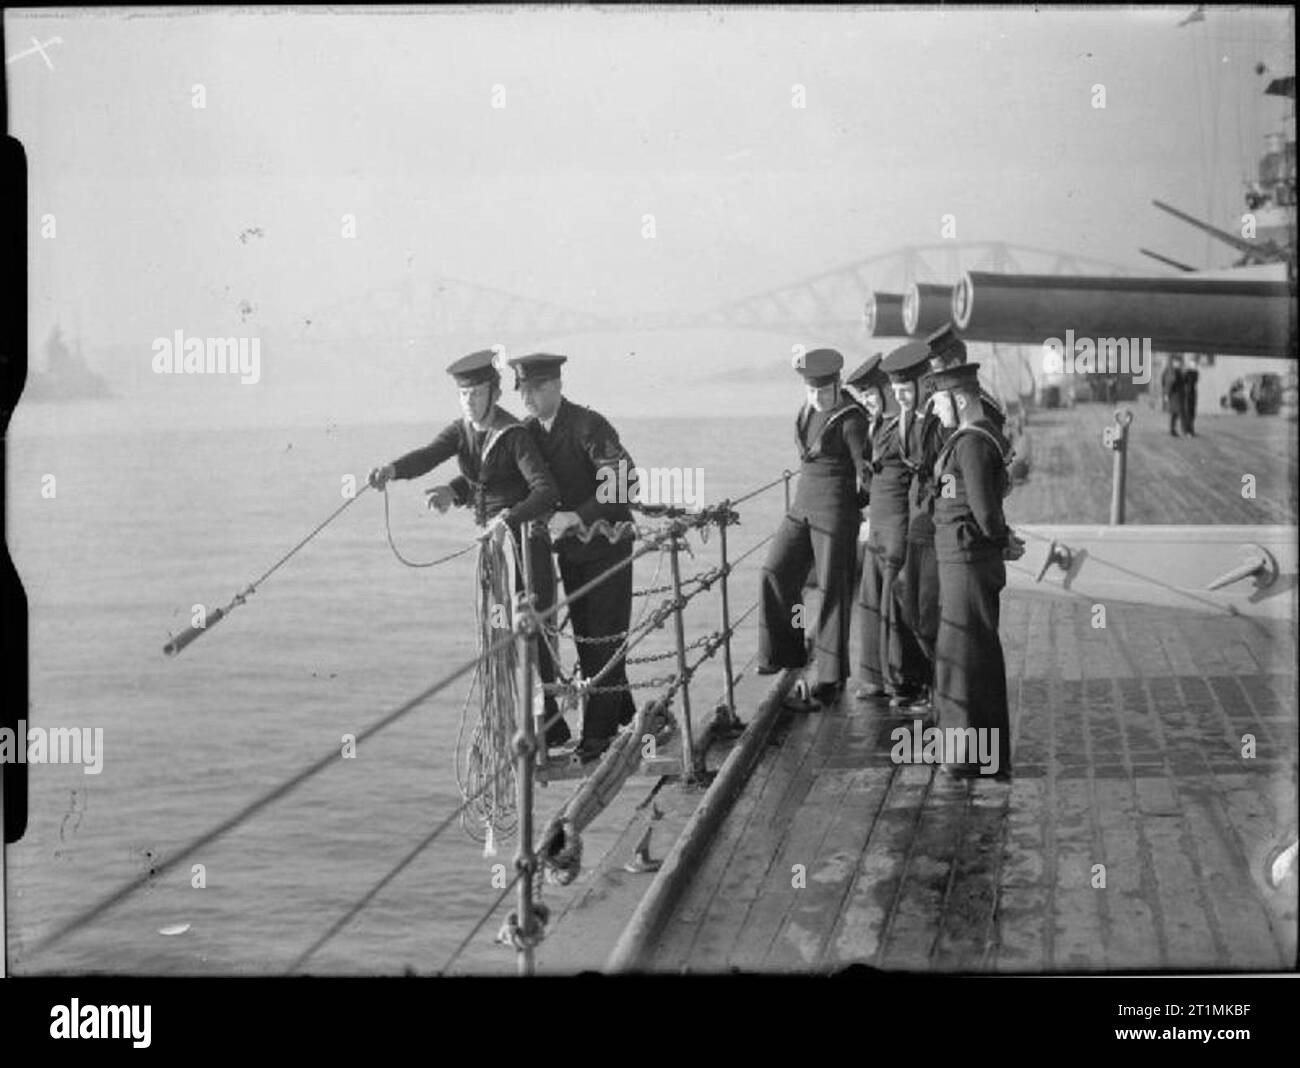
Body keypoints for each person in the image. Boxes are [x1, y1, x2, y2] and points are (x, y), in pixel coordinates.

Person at [367, 349, 569, 749]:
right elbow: (430, 457)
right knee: (501, 637)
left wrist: (506, 520)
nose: (469, 403)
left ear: (493, 393)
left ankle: (549, 729)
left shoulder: (515, 435)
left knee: (531, 636)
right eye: (463, 396)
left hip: (527, 548)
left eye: (476, 394)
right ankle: (521, 725)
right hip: (494, 549)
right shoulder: (462, 431)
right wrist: (394, 470)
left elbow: (547, 492)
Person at [508, 352, 641, 763]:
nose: (527, 399)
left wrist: (575, 515)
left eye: (535, 390)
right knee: (587, 638)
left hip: (607, 547)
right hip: (571, 552)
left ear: (557, 386)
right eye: (523, 391)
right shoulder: (529, 431)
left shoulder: (588, 425)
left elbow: (624, 480)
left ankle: (597, 738)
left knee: (603, 636)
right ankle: (626, 714)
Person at [757, 347, 869, 707]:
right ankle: (787, 653)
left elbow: (866, 471)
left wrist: (856, 508)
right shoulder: (807, 411)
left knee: (833, 590)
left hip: (835, 511)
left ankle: (831, 677)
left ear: (837, 385)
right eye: (811, 391)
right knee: (775, 571)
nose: (817, 398)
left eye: (823, 391)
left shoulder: (852, 419)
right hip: (802, 507)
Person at [927, 362, 1023, 780]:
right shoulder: (970, 440)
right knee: (967, 652)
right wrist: (1002, 538)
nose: (935, 409)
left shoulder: (972, 444)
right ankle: (976, 752)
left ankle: (968, 754)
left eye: (939, 401)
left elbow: (984, 512)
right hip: (960, 560)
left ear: (960, 398)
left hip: (967, 561)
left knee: (966, 654)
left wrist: (1001, 539)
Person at [856, 341, 932, 703]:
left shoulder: (914, 426)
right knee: (871, 599)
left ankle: (907, 679)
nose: (870, 401)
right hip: (879, 523)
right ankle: (874, 676)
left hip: (901, 521)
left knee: (897, 602)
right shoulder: (881, 426)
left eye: (873, 393)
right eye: (865, 396)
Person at [1162, 355, 1186, 436]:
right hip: (1174, 395)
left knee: (1177, 413)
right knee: (1174, 413)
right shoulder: (1170, 372)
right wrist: (1166, 395)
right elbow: (1167, 383)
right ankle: (1173, 430)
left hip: (1179, 395)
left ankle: (1177, 430)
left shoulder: (1179, 371)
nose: (1178, 363)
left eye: (1179, 362)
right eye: (1176, 362)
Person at [1182, 356, 1199, 436]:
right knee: (1188, 413)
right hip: (1188, 394)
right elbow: (1185, 381)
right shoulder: (1187, 373)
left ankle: (1190, 430)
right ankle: (1187, 430)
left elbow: (1194, 381)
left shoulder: (1195, 373)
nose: (1193, 365)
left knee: (1192, 413)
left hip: (1192, 394)